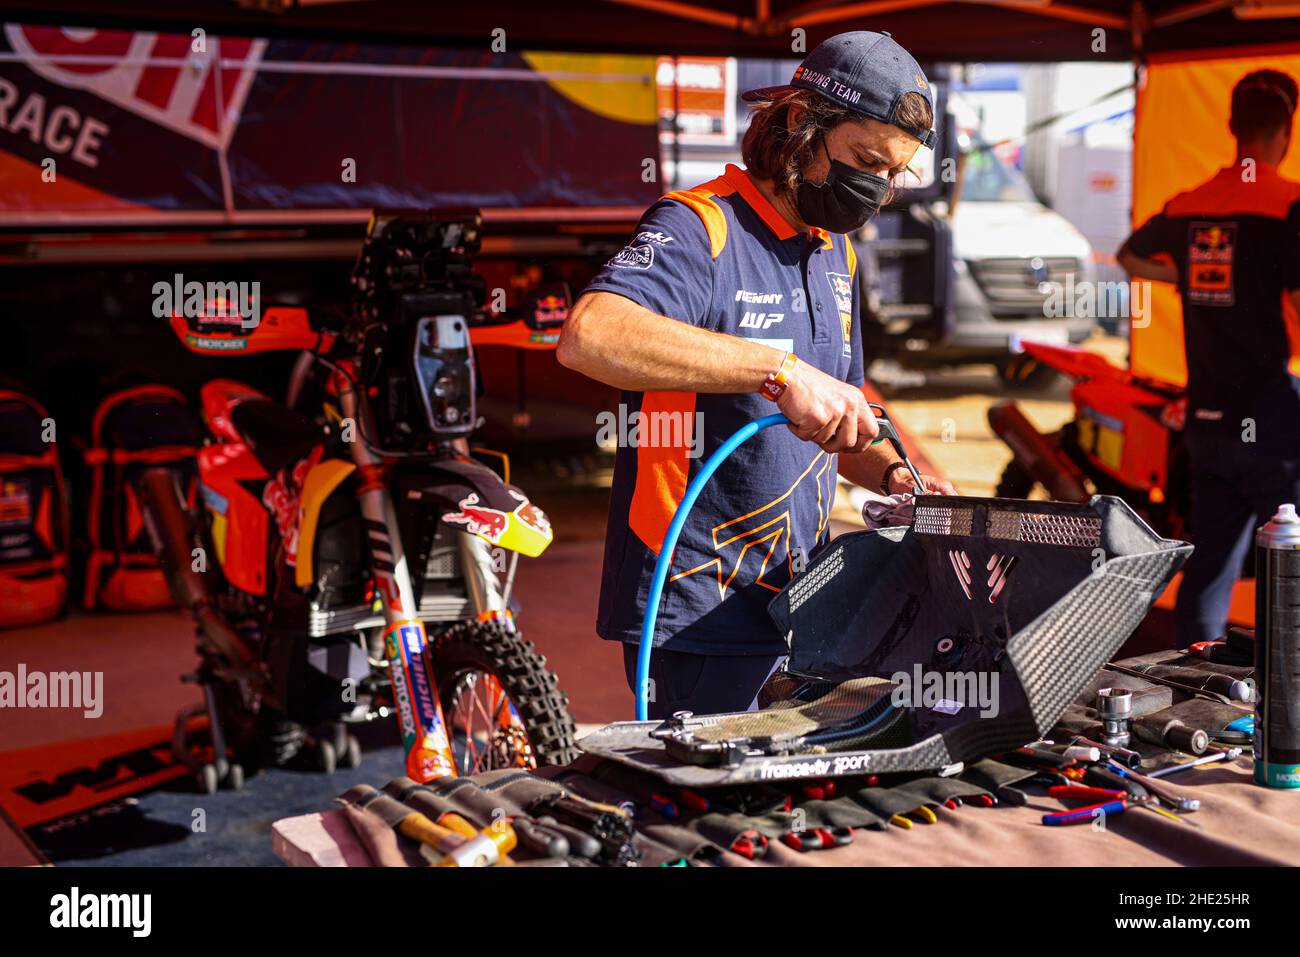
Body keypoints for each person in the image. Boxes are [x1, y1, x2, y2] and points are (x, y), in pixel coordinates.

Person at [557, 32, 953, 718]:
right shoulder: (699, 226)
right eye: (866, 161)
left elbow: (839, 411)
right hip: (695, 605)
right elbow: (591, 334)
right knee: (696, 814)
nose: (879, 190)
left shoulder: (836, 253)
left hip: (801, 601)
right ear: (802, 122)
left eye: (894, 174)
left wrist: (896, 477)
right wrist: (777, 368)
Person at [1118, 69, 1300, 647]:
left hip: (1209, 421)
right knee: (1290, 561)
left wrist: (1184, 275)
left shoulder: (1192, 204)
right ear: (1288, 131)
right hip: (1274, 419)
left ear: (1231, 128)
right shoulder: (1288, 204)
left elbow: (1129, 255)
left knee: (1213, 565)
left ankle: (1197, 682)